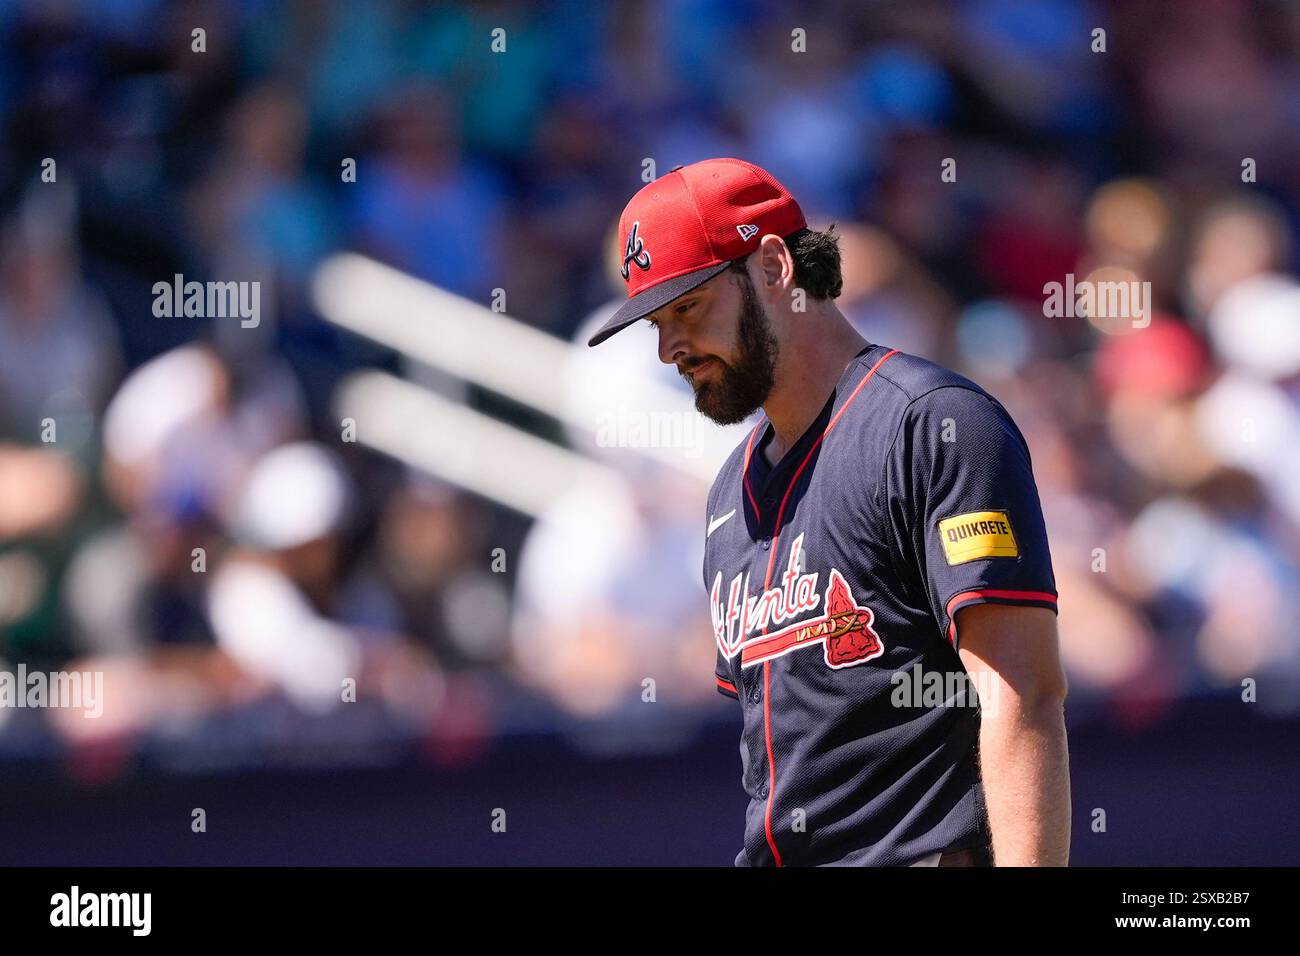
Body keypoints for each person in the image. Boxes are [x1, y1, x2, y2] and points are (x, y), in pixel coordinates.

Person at [587, 158, 1070, 866]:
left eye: (687, 307)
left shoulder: (933, 426)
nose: (670, 349)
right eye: (657, 323)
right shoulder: (730, 493)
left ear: (776, 267)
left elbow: (1022, 693)